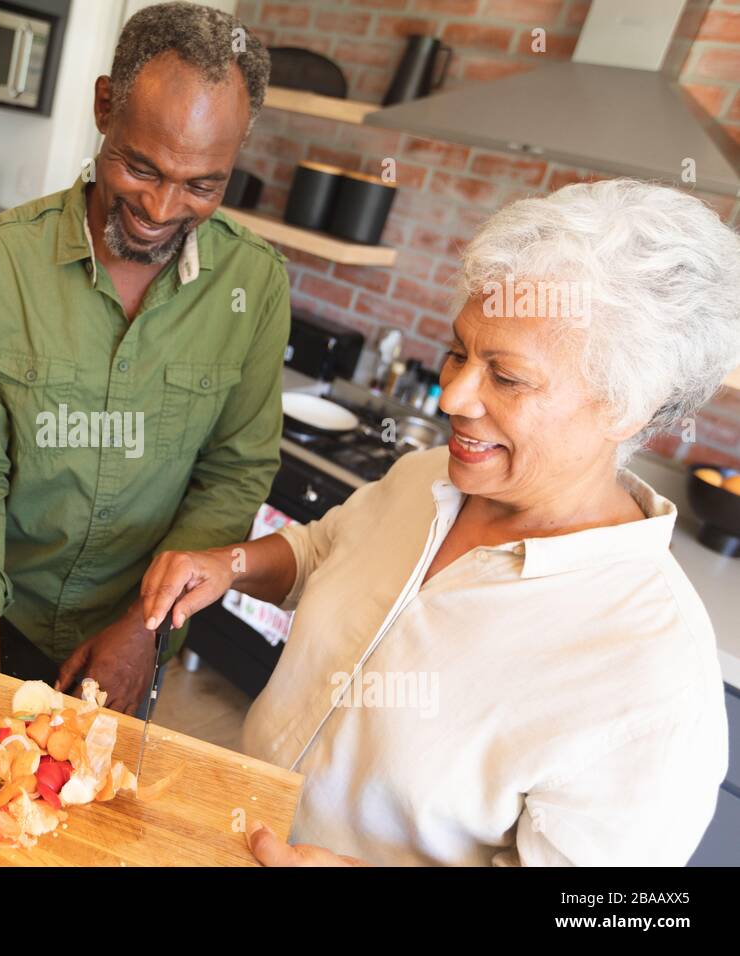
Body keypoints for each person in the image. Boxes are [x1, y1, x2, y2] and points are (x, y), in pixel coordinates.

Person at [140, 178, 740, 865]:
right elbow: (319, 552)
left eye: (506, 377)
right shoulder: (427, 478)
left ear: (628, 407)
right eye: (459, 352)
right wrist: (230, 564)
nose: (453, 395)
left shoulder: (653, 683)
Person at [0, 2, 289, 714]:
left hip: (135, 640)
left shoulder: (256, 286)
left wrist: (142, 632)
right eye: (139, 166)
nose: (160, 206)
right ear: (103, 108)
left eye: (202, 185)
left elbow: (234, 476)